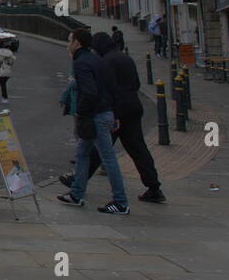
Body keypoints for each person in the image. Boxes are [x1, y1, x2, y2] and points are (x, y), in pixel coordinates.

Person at [61, 32, 164, 203]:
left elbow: (105, 88)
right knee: (138, 149)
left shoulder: (106, 61)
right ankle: (154, 186)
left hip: (114, 108)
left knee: (100, 151)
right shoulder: (124, 58)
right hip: (133, 105)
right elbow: (137, 84)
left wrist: (101, 111)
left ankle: (89, 186)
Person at [58, 29, 129, 215]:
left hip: (95, 116)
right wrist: (115, 113)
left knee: (108, 158)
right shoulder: (97, 59)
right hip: (104, 112)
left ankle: (121, 202)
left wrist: (81, 112)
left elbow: (89, 91)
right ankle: (76, 194)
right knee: (82, 154)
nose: (67, 44)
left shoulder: (81, 63)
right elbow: (113, 87)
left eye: (69, 41)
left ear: (77, 43)